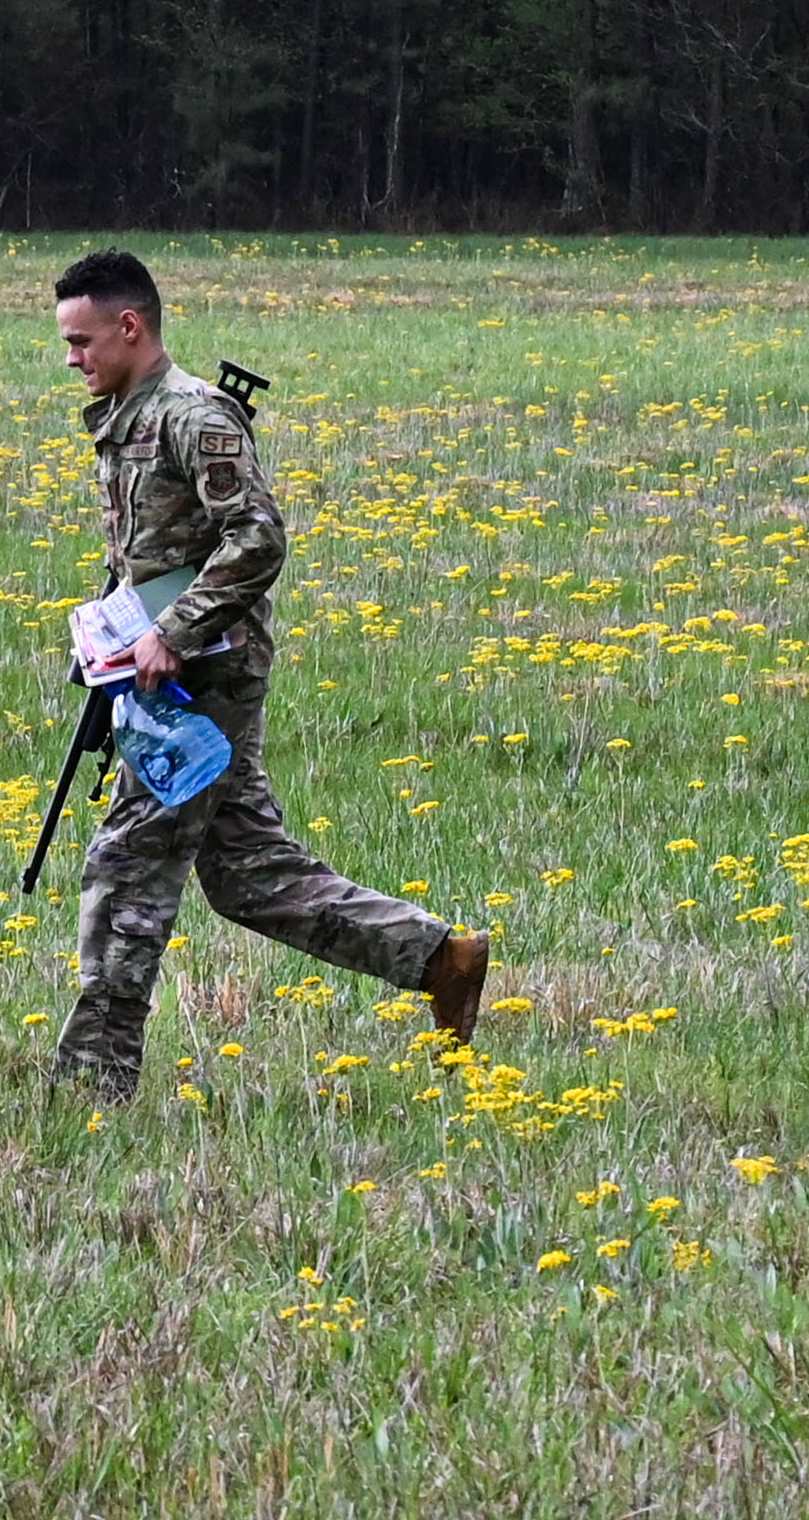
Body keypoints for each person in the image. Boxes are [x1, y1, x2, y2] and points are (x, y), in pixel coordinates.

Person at [46, 249, 489, 1100]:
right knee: (249, 875)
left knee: (127, 865)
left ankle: (90, 1088)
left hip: (200, 682)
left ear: (130, 327)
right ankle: (439, 957)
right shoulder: (130, 416)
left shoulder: (194, 416)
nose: (73, 359)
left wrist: (171, 630)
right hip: (156, 676)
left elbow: (258, 537)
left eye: (82, 340)